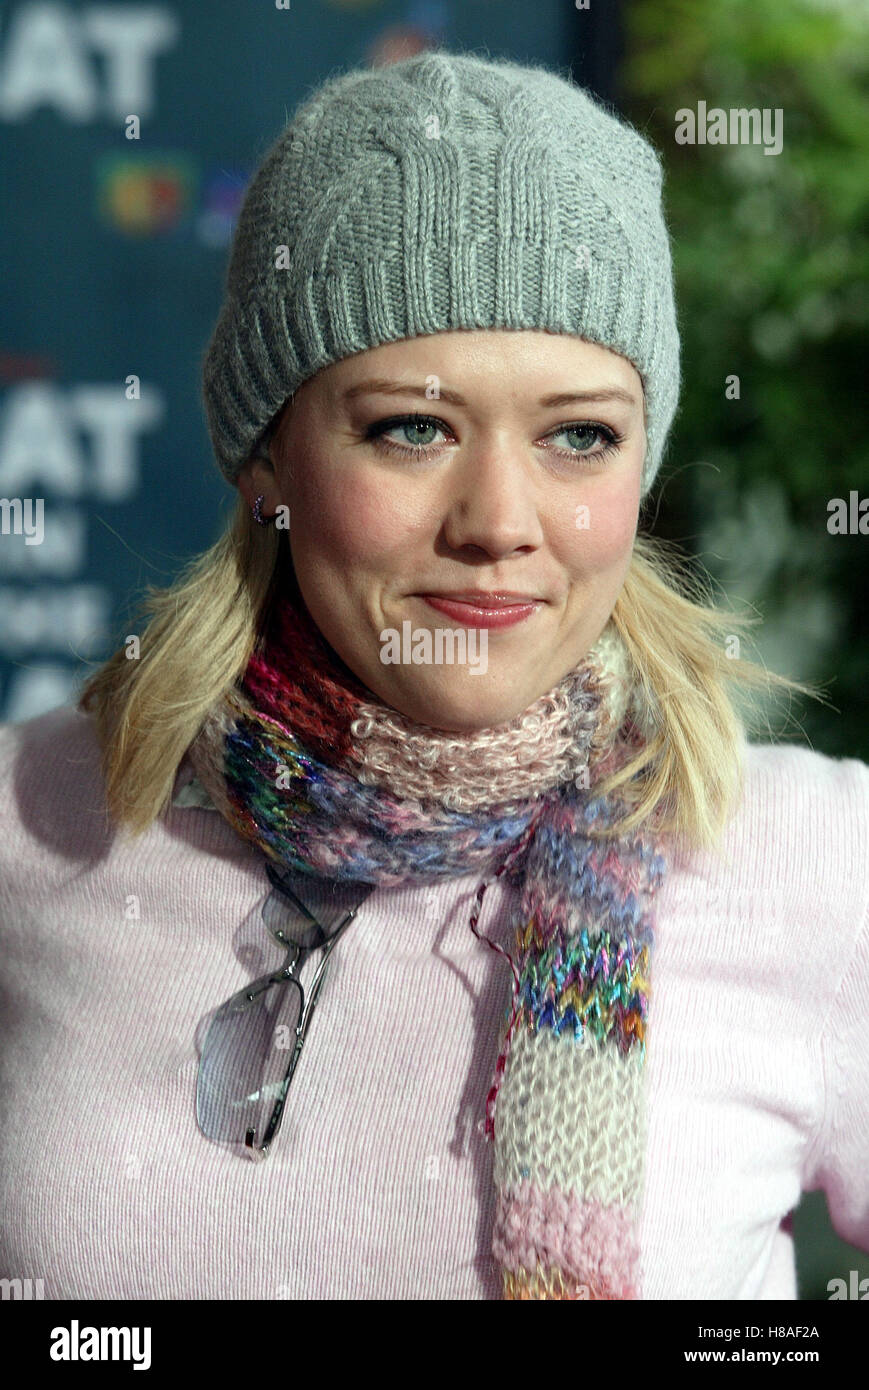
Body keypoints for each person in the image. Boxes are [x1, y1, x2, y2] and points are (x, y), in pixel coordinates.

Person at [0, 49, 866, 1303]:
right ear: (267, 458)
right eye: (411, 427)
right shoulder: (31, 826)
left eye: (579, 436)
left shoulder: (813, 859)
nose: (500, 519)